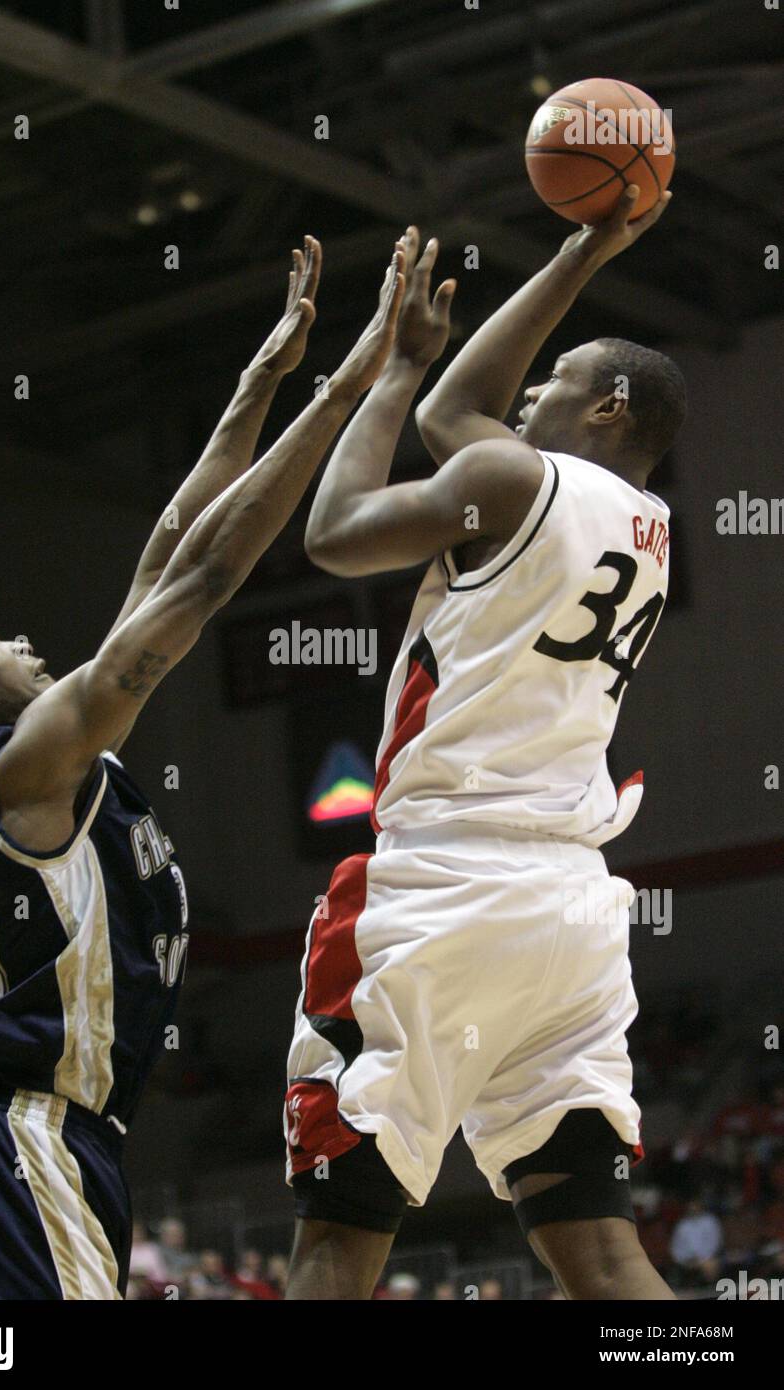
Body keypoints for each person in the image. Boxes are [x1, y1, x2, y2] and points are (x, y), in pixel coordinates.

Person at [0, 235, 407, 1300]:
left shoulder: (55, 762)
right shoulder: (26, 768)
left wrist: (264, 377)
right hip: (35, 1135)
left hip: (74, 1138)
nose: (22, 643)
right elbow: (208, 572)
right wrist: (354, 382)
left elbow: (171, 536)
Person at [285, 189, 684, 1301]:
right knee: (603, 1251)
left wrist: (411, 360)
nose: (524, 399)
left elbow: (335, 530)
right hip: (571, 911)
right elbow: (471, 424)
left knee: (337, 1238)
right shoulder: (650, 530)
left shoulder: (515, 479)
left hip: (443, 886)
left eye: (550, 381)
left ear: (605, 405)